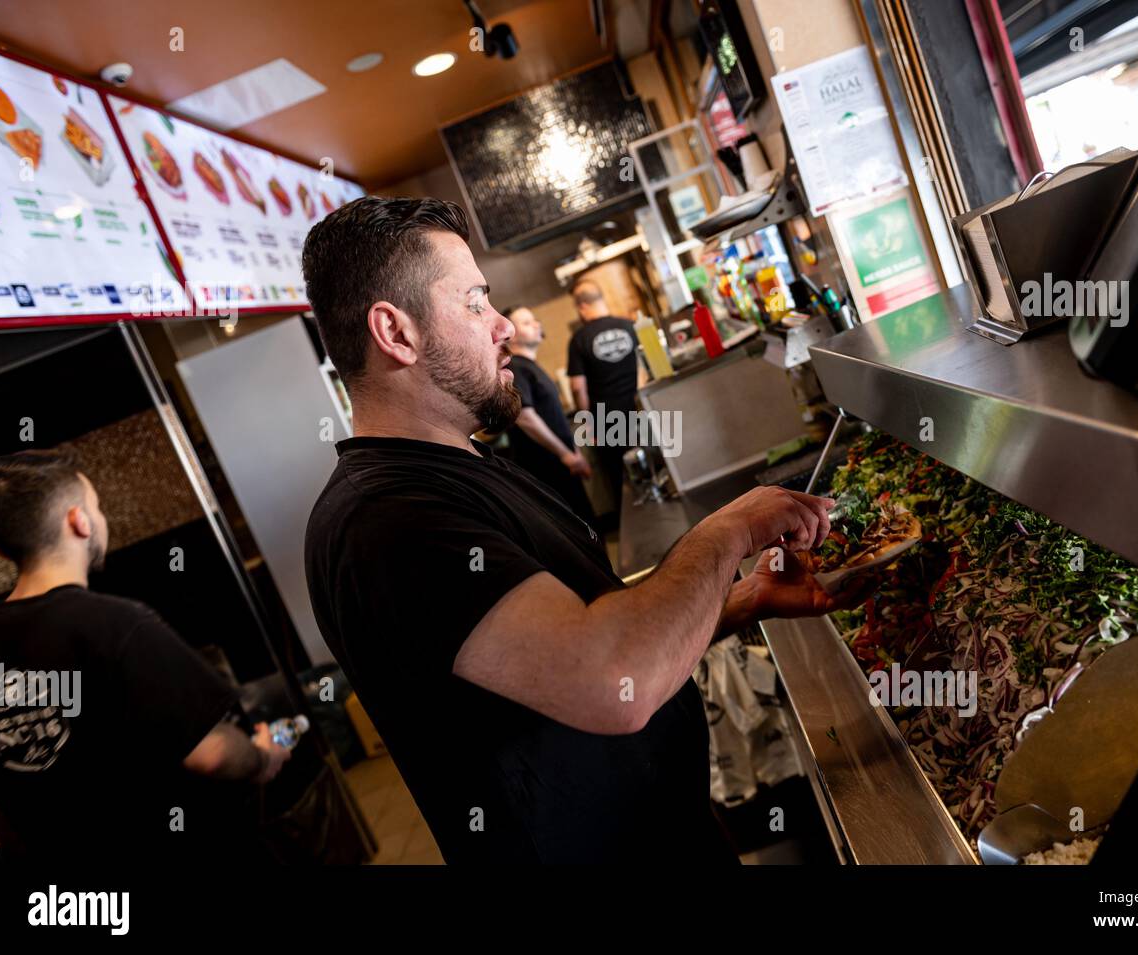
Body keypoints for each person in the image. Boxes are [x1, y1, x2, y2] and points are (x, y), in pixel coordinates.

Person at [300, 196, 875, 864]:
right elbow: (608, 676)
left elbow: (574, 639)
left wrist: (736, 598)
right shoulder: (387, 522)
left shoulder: (464, 465)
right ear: (395, 333)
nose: (502, 329)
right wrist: (730, 532)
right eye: (475, 303)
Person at [0, 450, 290, 863]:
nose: (101, 518)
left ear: (1, 551)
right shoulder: (117, 624)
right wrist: (263, 758)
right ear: (79, 521)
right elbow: (212, 753)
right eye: (97, 506)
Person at [499, 305, 597, 527]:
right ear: (510, 336)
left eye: (534, 319)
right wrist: (567, 455)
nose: (536, 324)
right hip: (547, 468)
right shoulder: (516, 367)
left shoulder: (530, 366)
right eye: (525, 322)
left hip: (560, 464)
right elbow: (524, 416)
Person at [565, 279, 642, 509]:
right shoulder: (630, 326)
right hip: (639, 412)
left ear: (581, 307)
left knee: (623, 484)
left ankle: (635, 539)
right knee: (651, 469)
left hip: (607, 423)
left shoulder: (579, 339)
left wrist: (587, 423)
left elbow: (578, 387)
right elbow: (645, 369)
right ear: (601, 299)